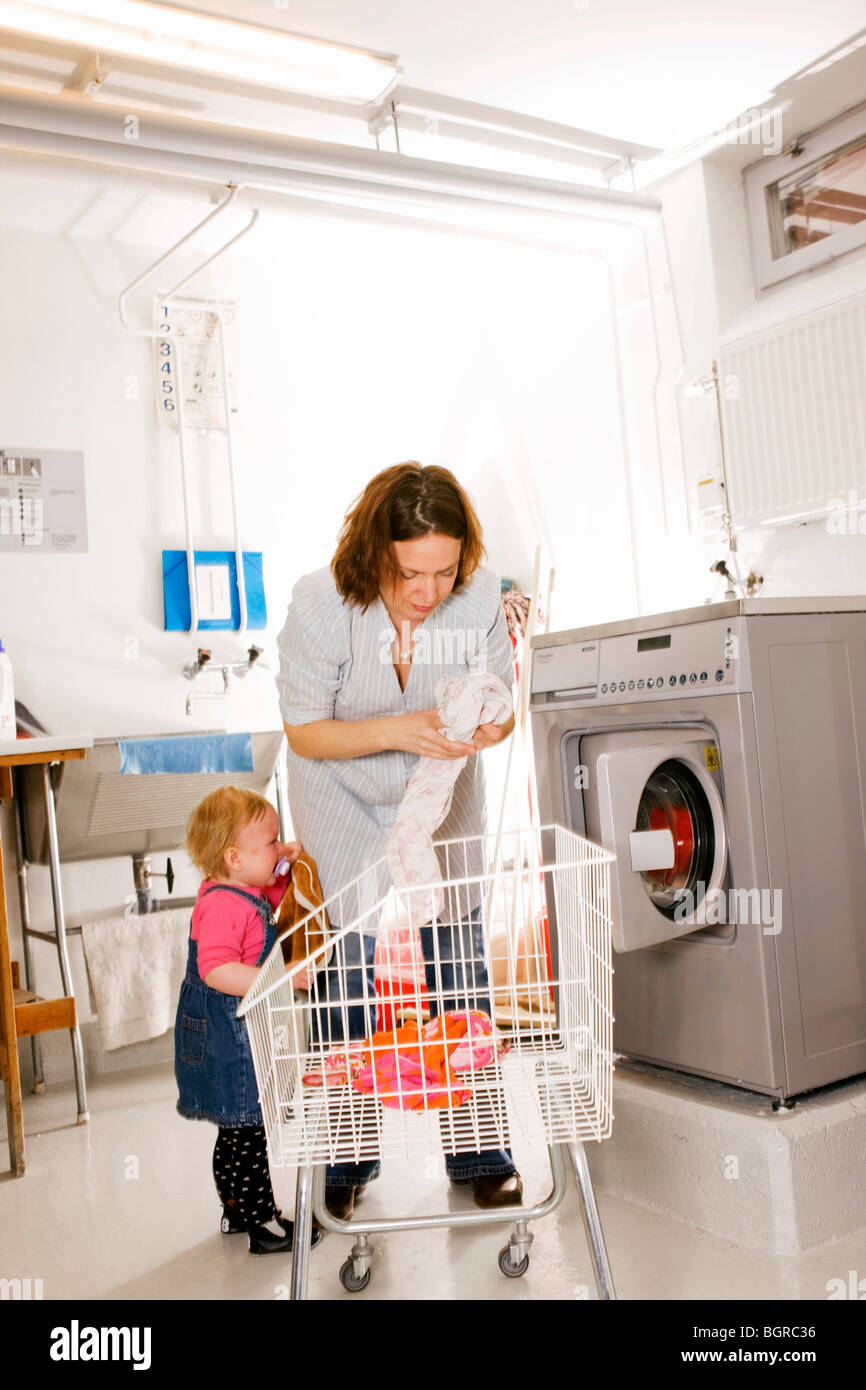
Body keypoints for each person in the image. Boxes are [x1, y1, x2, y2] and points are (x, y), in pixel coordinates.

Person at [276, 460, 522, 1222]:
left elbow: (503, 704)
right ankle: (347, 1162)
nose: (428, 590)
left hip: (438, 791)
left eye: (443, 571)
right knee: (347, 966)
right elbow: (304, 731)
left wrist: (491, 723)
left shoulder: (476, 598)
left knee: (458, 955)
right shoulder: (321, 604)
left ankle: (480, 1150)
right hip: (339, 789)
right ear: (377, 550)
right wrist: (399, 730)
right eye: (411, 572)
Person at [174, 786, 315, 1254]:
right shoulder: (221, 906)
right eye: (272, 841)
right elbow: (217, 971)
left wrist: (284, 863)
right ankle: (264, 1225)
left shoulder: (237, 888)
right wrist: (282, 977)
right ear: (235, 857)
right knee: (249, 1130)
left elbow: (267, 901)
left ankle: (235, 1209)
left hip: (227, 1032)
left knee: (233, 1130)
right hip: (226, 1038)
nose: (280, 846)